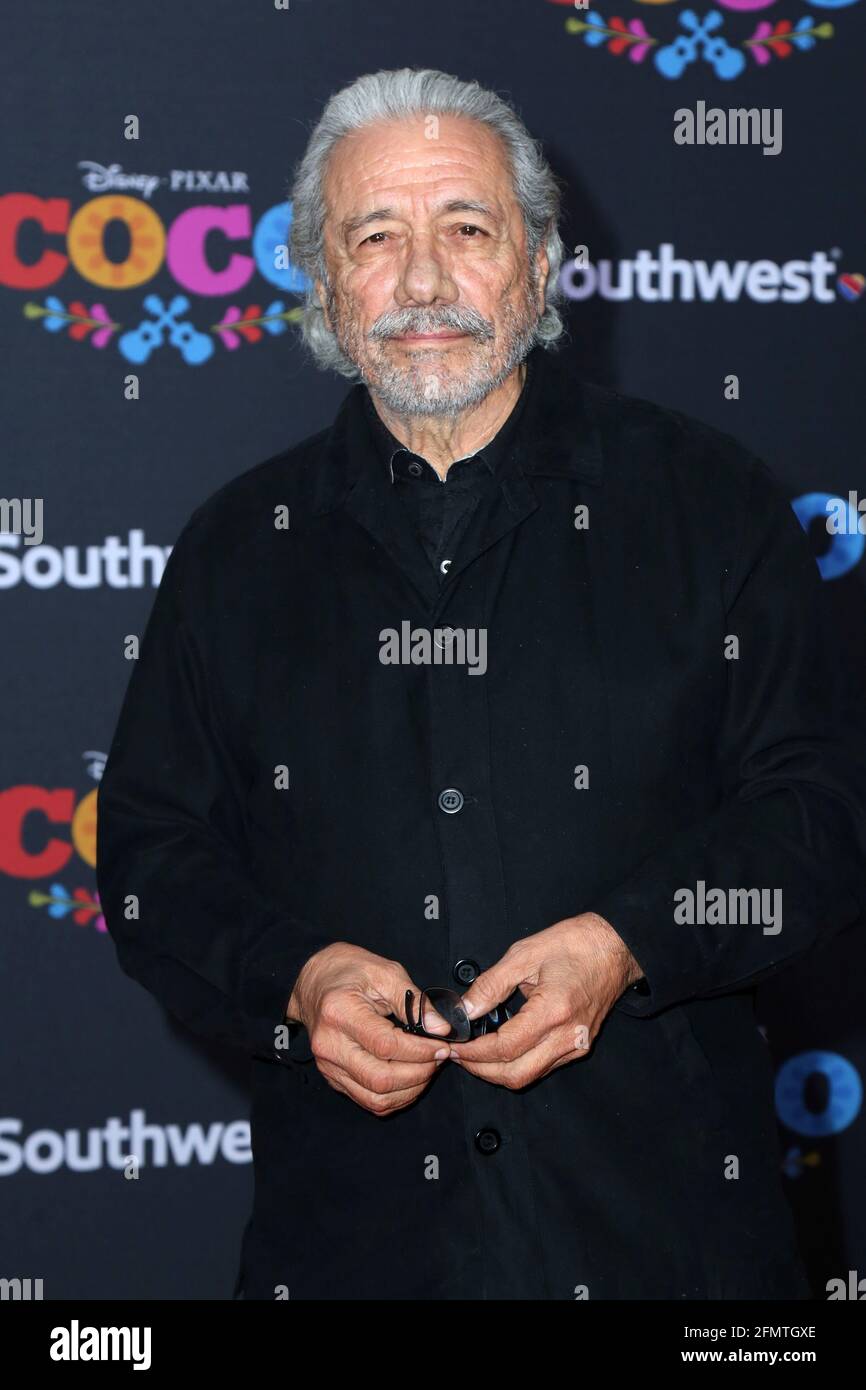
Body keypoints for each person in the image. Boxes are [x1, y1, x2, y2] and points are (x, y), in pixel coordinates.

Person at [97, 67, 866, 1300]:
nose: (419, 283)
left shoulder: (709, 506)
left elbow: (823, 814)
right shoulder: (237, 550)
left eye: (464, 229)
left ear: (540, 262)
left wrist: (627, 944)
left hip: (667, 1259)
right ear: (323, 279)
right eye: (375, 238)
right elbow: (149, 857)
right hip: (348, 1257)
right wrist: (293, 978)